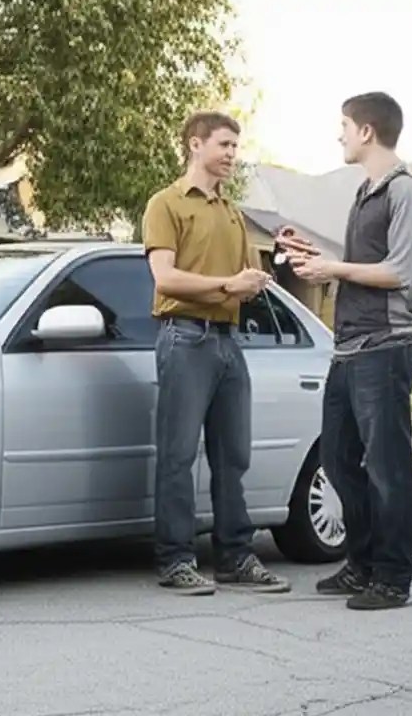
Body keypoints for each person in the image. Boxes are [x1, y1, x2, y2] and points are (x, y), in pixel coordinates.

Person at [276, 91, 412, 610]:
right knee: (339, 460)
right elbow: (362, 264)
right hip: (350, 348)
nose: (338, 134)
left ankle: (392, 575)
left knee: (387, 467)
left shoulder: (405, 192)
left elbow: (398, 272)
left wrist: (333, 270)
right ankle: (361, 563)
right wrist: (315, 256)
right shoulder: (365, 192)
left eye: (343, 125)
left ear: (367, 131)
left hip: (386, 348)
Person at [142, 110, 290, 595]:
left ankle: (235, 557)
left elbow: (248, 280)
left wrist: (271, 266)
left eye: (235, 146)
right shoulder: (166, 204)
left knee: (233, 457)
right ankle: (176, 560)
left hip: (229, 342)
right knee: (178, 455)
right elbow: (165, 277)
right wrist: (228, 284)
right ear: (194, 145)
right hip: (185, 338)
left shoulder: (232, 213)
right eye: (223, 145)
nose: (231, 154)